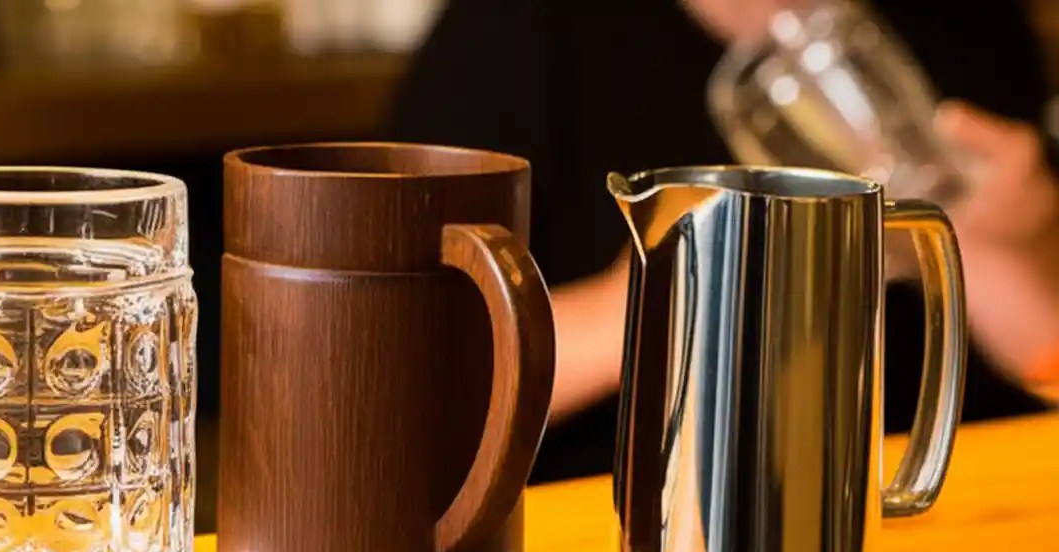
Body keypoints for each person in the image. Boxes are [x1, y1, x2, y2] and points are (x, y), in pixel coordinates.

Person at [386, 0, 1059, 483]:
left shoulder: (963, 23)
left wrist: (1025, 244)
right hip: (621, 530)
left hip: (933, 498)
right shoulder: (513, 36)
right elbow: (402, 380)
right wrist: (649, 304)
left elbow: (1040, 355)